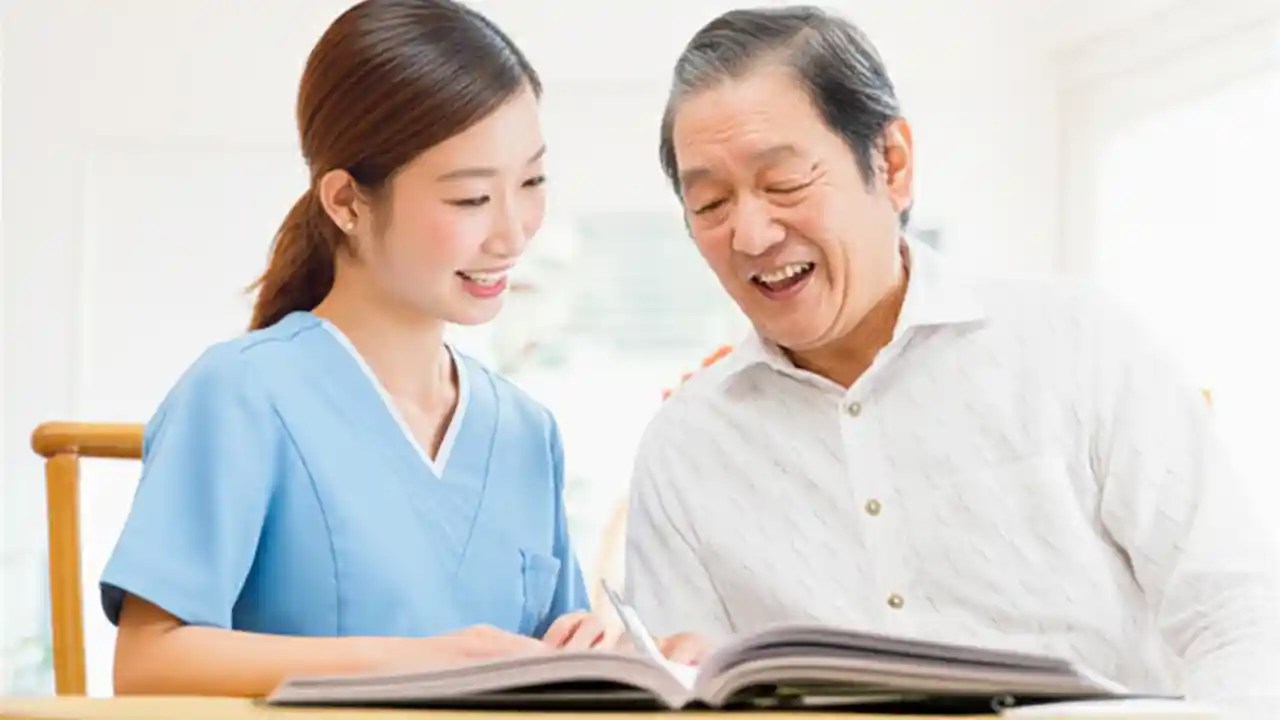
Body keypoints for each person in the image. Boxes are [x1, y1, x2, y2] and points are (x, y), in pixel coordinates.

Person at [623, 4, 1280, 706]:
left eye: (784, 183)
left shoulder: (1081, 347)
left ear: (892, 164)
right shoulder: (687, 449)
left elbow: (1239, 620)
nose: (751, 234)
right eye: (712, 202)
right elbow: (684, 695)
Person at [98, 0, 679, 698]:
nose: (513, 233)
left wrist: (589, 647)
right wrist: (414, 660)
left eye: (531, 183)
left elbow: (546, 672)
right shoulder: (241, 394)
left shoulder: (525, 433)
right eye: (470, 200)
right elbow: (149, 664)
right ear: (345, 201)